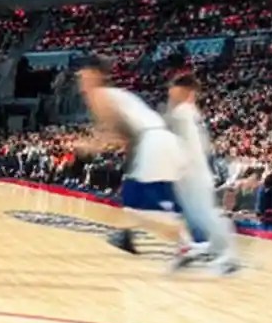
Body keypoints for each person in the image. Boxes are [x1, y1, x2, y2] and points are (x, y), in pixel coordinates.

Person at [75, 55, 191, 257]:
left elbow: (113, 133)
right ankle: (129, 237)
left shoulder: (99, 96)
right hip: (160, 141)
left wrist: (90, 146)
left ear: (95, 75)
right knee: (136, 199)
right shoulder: (114, 95)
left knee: (142, 206)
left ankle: (189, 242)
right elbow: (124, 134)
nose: (80, 81)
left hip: (152, 141)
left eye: (83, 75)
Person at [165, 74, 239, 275]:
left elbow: (183, 146)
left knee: (205, 217)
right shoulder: (191, 112)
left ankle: (228, 256)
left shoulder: (181, 112)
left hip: (191, 173)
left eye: (174, 88)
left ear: (185, 91)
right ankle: (192, 249)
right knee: (191, 216)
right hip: (192, 173)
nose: (170, 92)